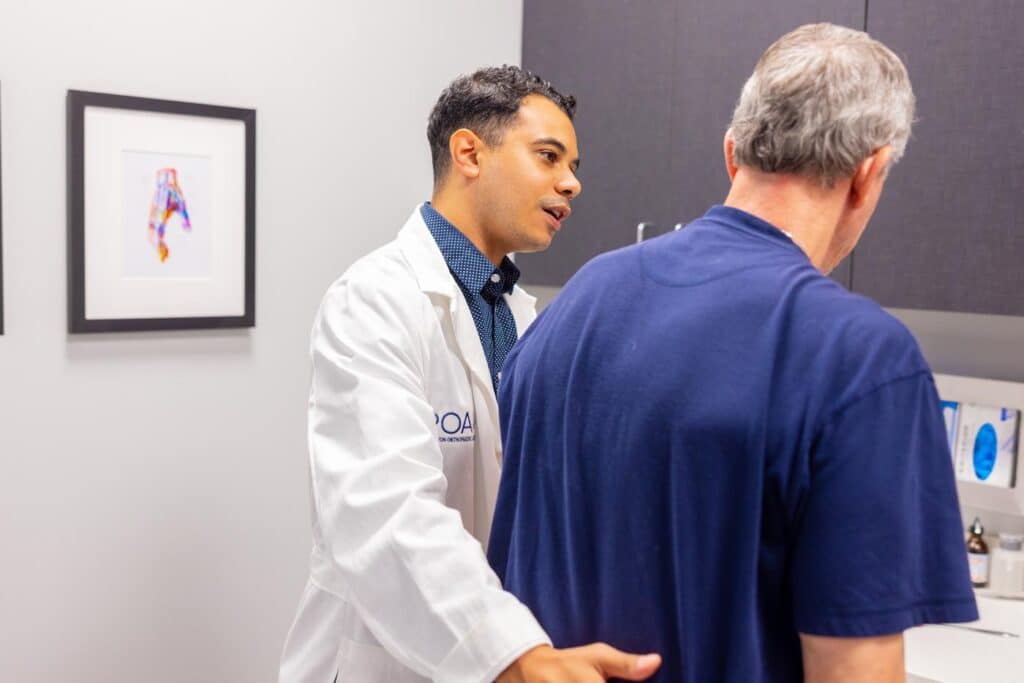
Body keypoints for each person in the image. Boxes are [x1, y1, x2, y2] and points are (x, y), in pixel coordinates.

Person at [488, 24, 978, 683]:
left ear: (732, 154)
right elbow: (852, 671)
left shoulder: (576, 303)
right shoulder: (860, 359)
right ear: (868, 174)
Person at [279, 66, 661, 683]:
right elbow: (385, 516)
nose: (572, 183)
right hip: (391, 662)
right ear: (469, 153)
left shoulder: (522, 315)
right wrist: (511, 656)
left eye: (575, 166)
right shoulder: (375, 302)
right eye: (548, 156)